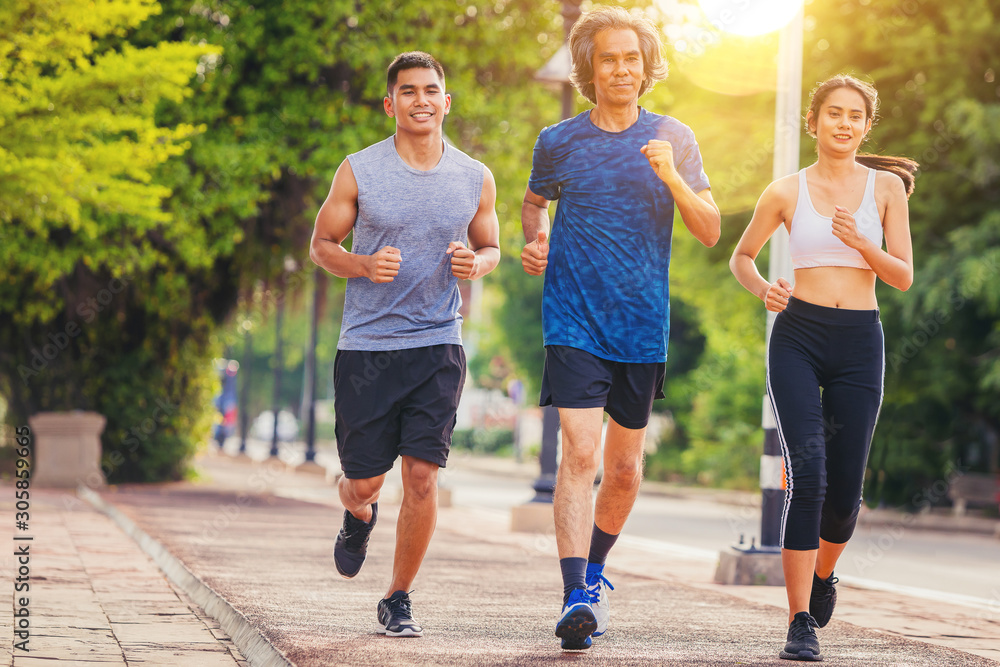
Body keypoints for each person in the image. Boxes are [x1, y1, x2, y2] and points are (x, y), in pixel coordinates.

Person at [520, 6, 721, 651]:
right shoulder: (558, 141)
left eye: (631, 57)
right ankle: (575, 589)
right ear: (589, 67)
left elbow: (711, 230)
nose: (621, 68)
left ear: (646, 66)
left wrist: (669, 175)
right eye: (607, 57)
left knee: (626, 469)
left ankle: (597, 570)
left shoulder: (675, 137)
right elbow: (532, 202)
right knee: (579, 453)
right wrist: (537, 235)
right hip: (572, 318)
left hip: (640, 326)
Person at [309, 51, 500, 638]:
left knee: (421, 477)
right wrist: (363, 265)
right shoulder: (359, 170)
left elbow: (490, 246)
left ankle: (398, 598)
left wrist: (478, 263)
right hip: (367, 348)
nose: (421, 100)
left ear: (447, 102)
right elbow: (321, 244)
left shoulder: (474, 176)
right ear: (390, 103)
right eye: (409, 91)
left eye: (431, 90)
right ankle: (356, 512)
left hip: (437, 344)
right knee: (365, 481)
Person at [730, 74, 917, 661]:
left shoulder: (886, 189)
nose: (843, 123)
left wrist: (862, 242)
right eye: (832, 113)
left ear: (866, 126)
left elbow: (902, 275)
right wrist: (764, 288)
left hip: (861, 340)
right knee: (805, 473)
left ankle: (823, 576)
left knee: (843, 494)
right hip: (799, 336)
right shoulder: (784, 191)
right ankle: (798, 620)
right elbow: (741, 256)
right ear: (812, 123)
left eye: (854, 115)